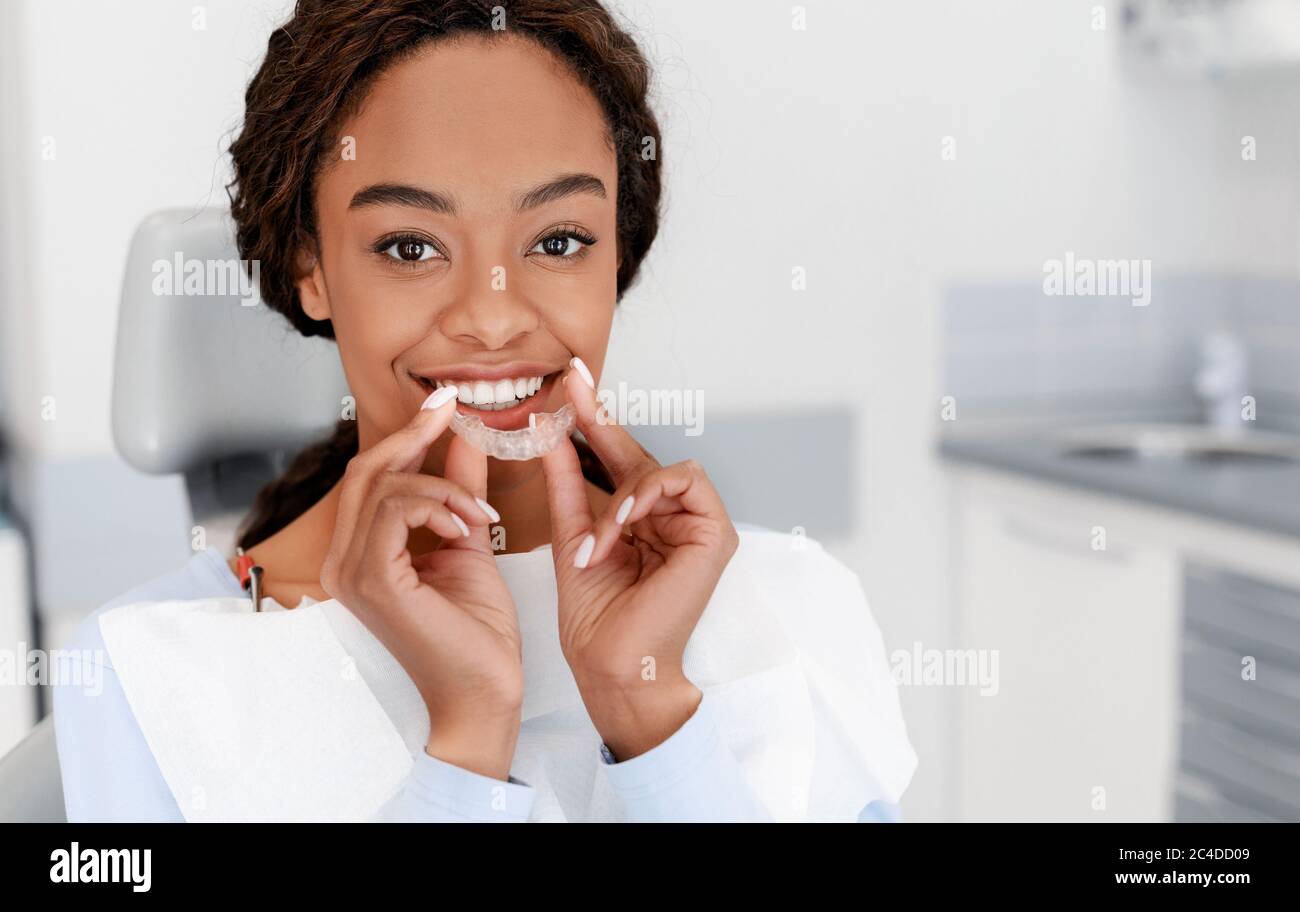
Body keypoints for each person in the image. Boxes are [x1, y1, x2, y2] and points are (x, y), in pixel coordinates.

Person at [53, 0, 915, 822]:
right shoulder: (152, 679)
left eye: (558, 241)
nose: (495, 315)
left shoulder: (792, 609)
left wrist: (648, 708)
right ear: (310, 267)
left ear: (618, 253)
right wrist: (465, 742)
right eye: (410, 246)